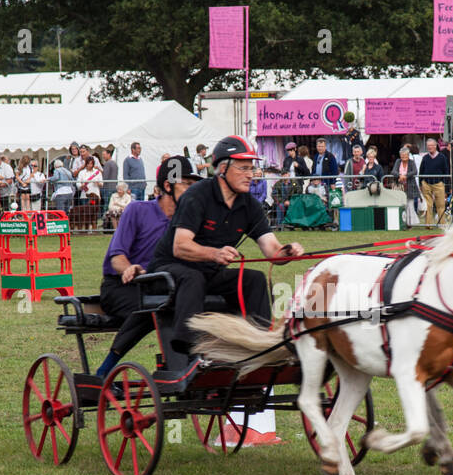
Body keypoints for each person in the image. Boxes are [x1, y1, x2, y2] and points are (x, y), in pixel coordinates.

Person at [147, 135, 305, 361]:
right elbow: (180, 246)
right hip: (168, 271)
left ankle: (261, 346)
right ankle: (190, 349)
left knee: (254, 279)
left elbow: (272, 251)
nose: (250, 174)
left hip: (210, 273)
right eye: (243, 168)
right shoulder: (197, 195)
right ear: (222, 168)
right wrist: (214, 253)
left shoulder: (249, 205)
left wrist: (287, 252)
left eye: (252, 168)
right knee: (193, 277)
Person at [92, 158, 201, 378]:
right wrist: (130, 269)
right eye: (187, 184)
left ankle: (192, 365)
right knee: (153, 309)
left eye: (194, 185)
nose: (193, 191)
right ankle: (104, 370)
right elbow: (116, 256)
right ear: (168, 186)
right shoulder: (137, 210)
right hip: (122, 286)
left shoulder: (188, 223)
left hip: (161, 287)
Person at [418, 137, 449, 225]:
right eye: (428, 146)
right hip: (426, 184)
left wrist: (444, 183)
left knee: (440, 205)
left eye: (431, 145)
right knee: (428, 205)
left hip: (438, 184)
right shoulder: (425, 158)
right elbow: (421, 171)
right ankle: (428, 224)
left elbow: (445, 171)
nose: (430, 147)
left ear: (435, 146)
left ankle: (442, 223)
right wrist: (421, 183)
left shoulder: (442, 157)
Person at [391, 145, 420, 226]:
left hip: (410, 186)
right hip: (399, 186)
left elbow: (414, 171)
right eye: (402, 155)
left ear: (408, 155)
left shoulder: (411, 162)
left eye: (405, 155)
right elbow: (393, 171)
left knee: (409, 204)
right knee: (401, 204)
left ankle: (410, 223)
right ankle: (400, 222)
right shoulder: (398, 161)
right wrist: (400, 175)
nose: (403, 157)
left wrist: (405, 176)